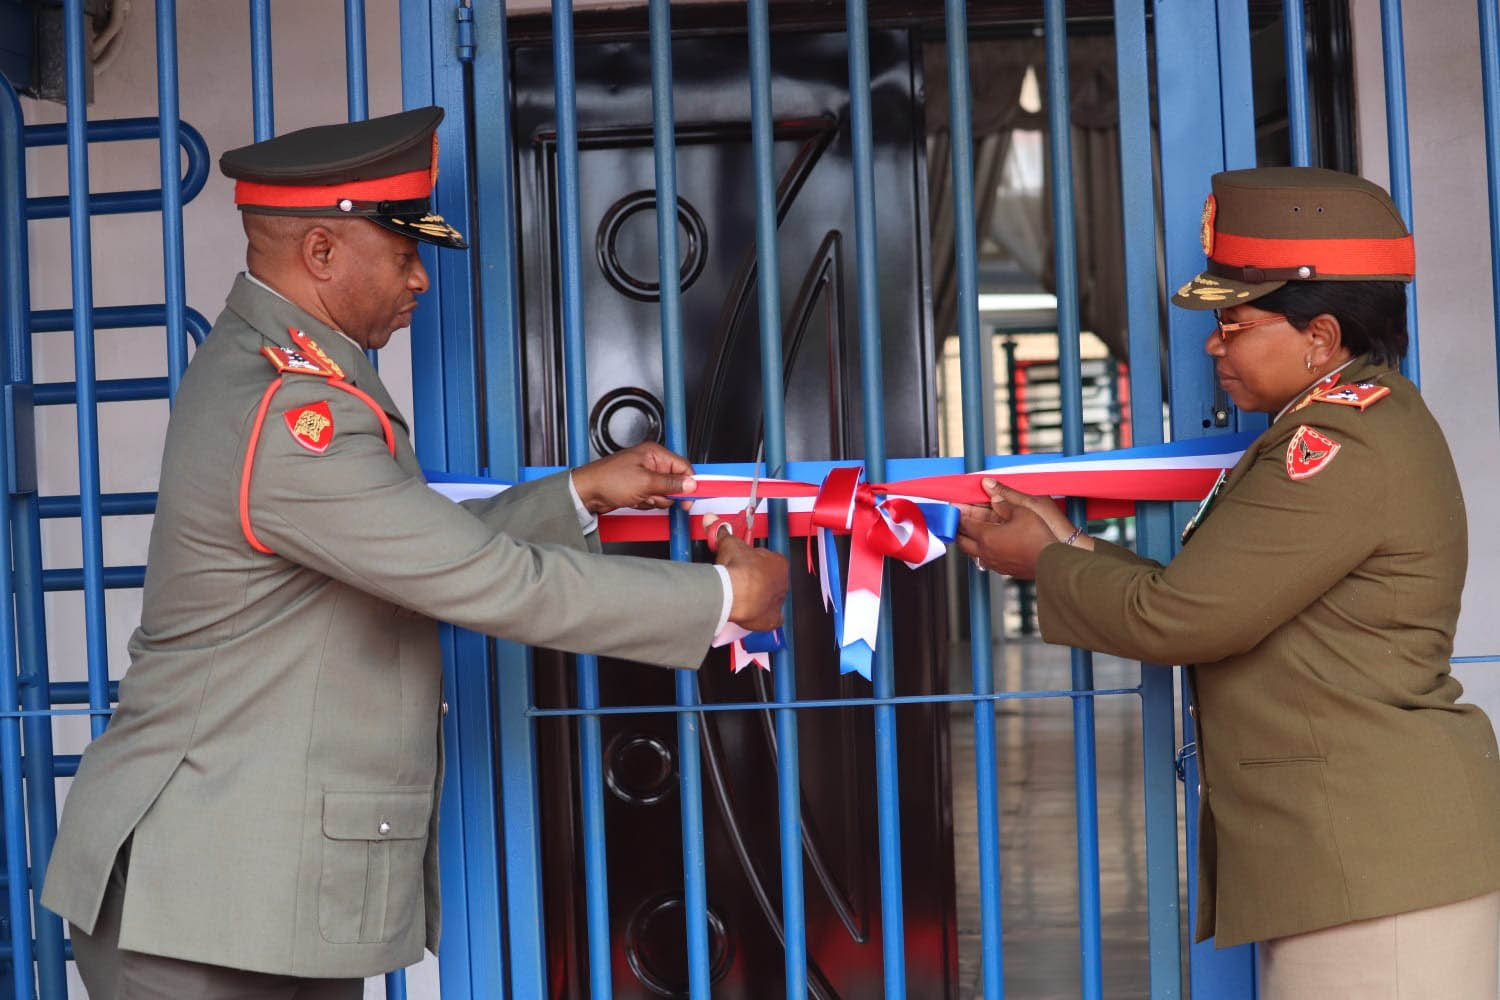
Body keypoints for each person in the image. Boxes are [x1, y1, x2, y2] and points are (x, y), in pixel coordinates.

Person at [40, 106, 788, 999]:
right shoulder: (291, 411)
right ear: (322, 252)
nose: (421, 278)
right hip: (206, 898)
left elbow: (404, 556)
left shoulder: (297, 374)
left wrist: (578, 495)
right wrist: (722, 601)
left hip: (250, 893)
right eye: (402, 253)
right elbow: (474, 578)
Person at [956, 166, 1500, 997]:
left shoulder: (1337, 445)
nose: (1215, 344)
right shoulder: (1338, 424)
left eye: (1233, 323)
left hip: (1376, 862)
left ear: (1319, 335)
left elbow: (1184, 618)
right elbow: (1212, 591)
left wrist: (1044, 561)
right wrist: (1065, 539)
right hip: (1356, 856)